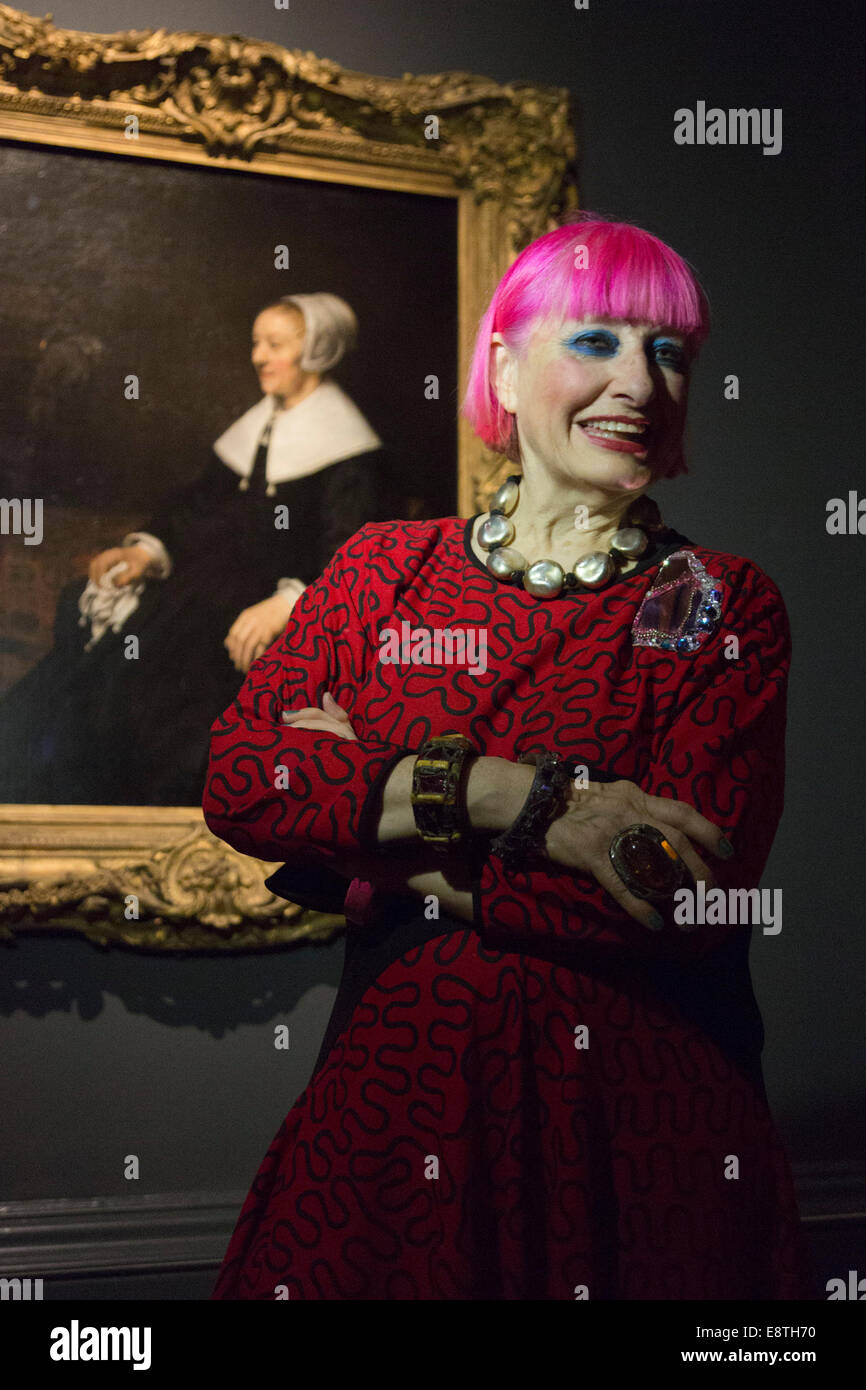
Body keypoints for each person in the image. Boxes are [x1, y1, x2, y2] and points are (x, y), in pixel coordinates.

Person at [203, 213, 810, 1300]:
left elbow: (676, 895)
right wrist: (518, 796)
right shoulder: (383, 567)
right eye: (595, 340)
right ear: (502, 365)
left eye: (668, 352)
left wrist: (370, 826)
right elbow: (246, 779)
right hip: (392, 1134)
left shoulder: (717, 602)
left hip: (639, 1144)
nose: (640, 379)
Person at [0, 293, 389, 805]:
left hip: (266, 598)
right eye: (256, 343)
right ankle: (42, 789)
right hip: (204, 578)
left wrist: (287, 604)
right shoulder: (260, 423)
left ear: (315, 351)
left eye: (274, 345)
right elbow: (196, 506)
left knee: (165, 665)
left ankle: (128, 804)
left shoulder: (350, 450)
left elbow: (353, 555)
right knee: (84, 607)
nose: (258, 357)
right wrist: (147, 550)